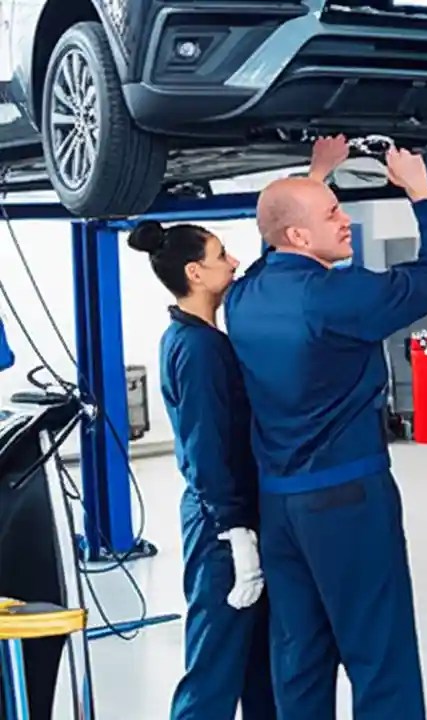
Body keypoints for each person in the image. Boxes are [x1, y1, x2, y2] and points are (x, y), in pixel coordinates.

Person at [223, 139, 427, 719]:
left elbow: (273, 234)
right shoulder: (337, 298)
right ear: (302, 237)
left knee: (300, 656)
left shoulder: (244, 297)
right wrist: (421, 191)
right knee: (380, 654)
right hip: (348, 501)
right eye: (333, 211)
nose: (346, 219)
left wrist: (316, 173)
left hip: (280, 509)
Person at [127, 221, 275, 720]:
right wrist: (234, 531)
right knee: (216, 662)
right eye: (221, 255)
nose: (233, 262)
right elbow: (204, 449)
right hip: (220, 525)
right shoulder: (198, 349)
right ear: (195, 272)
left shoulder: (200, 337)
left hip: (233, 513)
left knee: (259, 662)